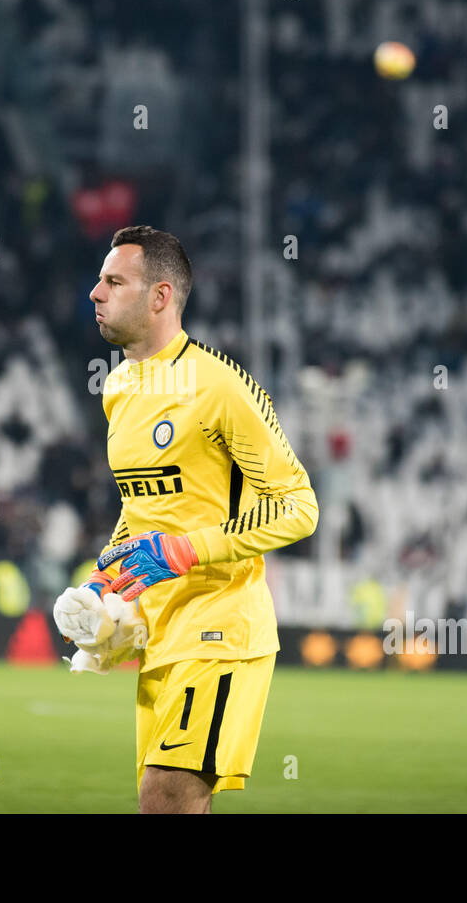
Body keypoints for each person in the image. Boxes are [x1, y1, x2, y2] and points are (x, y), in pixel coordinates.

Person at [58, 225, 319, 813]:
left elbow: (298, 505)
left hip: (220, 627)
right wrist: (111, 573)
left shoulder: (220, 387)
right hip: (160, 633)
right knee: (176, 806)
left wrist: (181, 552)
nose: (94, 293)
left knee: (166, 799)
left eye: (113, 281)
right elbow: (143, 504)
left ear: (160, 296)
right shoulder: (118, 386)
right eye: (99, 280)